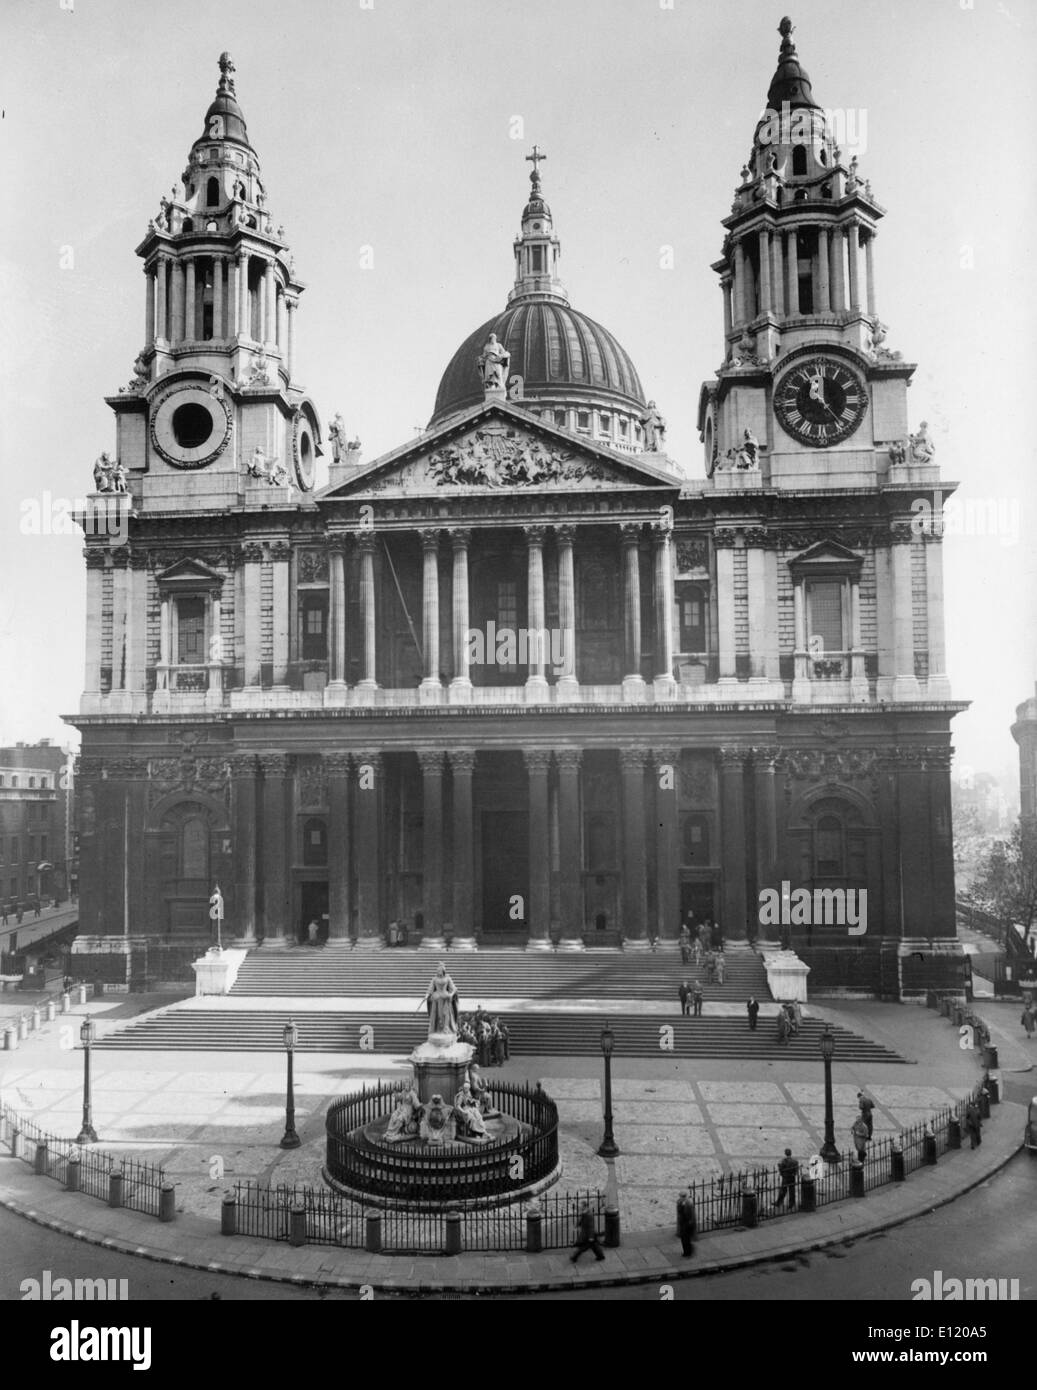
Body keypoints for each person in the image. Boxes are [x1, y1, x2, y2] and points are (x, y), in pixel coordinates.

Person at [677, 1188, 697, 1258]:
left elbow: (691, 1215)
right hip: (683, 1223)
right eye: (681, 1196)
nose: (682, 1198)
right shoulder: (679, 1202)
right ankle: (686, 1251)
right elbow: (679, 1213)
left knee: (686, 1239)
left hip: (687, 1224)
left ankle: (688, 1252)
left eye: (683, 1196)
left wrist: (690, 1223)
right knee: (684, 1239)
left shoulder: (689, 1203)